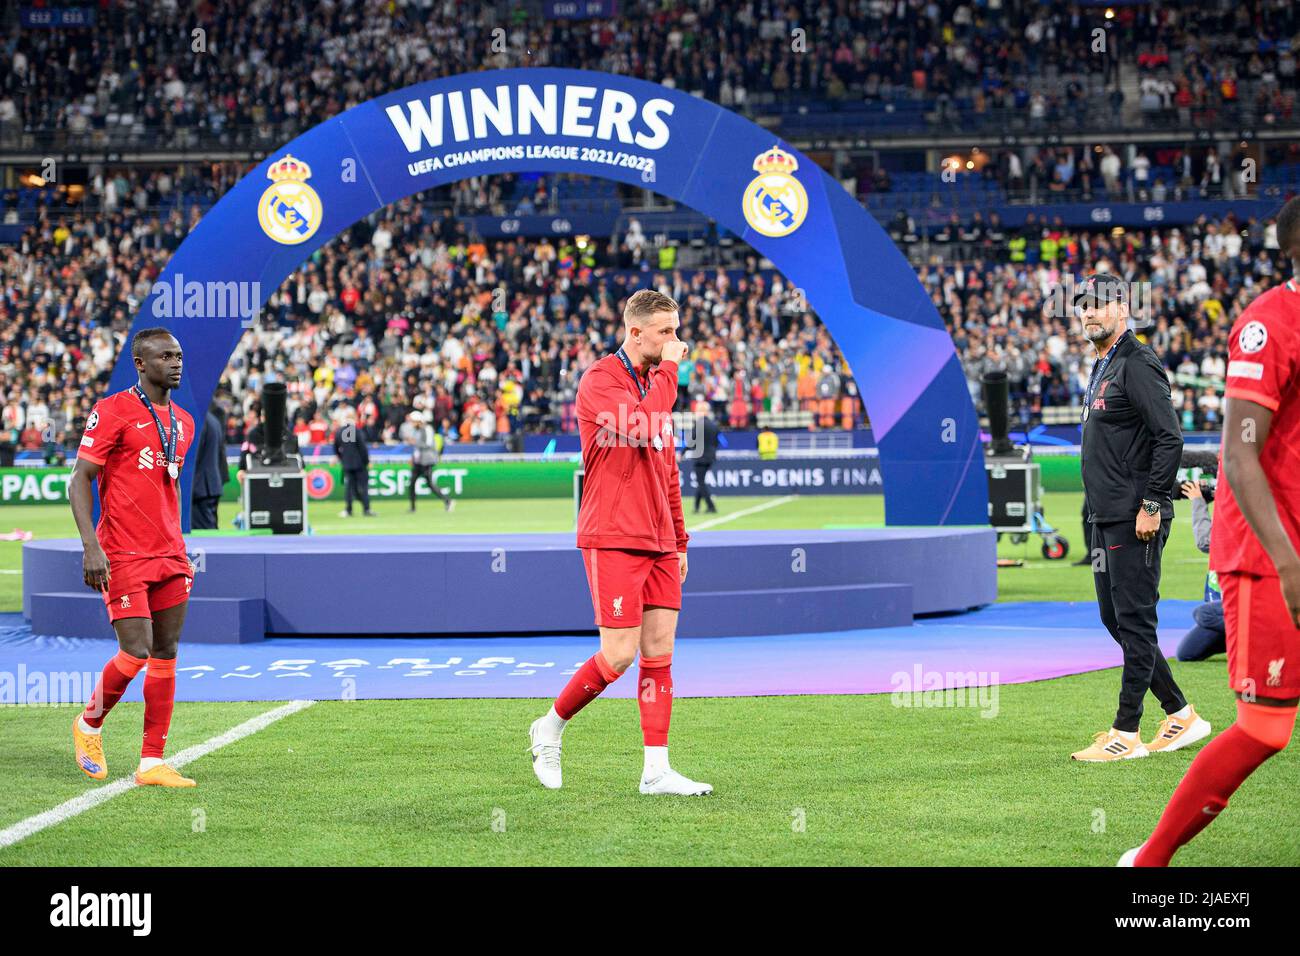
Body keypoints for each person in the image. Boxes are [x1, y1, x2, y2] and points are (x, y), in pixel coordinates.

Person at [1122, 198, 1300, 866]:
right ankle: (1150, 860)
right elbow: (1239, 453)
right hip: (1270, 558)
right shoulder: (1270, 324)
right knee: (1265, 730)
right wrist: (1289, 564)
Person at [527, 289, 711, 796]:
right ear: (635, 333)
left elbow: (667, 470)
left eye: (677, 331)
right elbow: (645, 427)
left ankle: (655, 770)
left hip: (658, 540)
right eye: (667, 333)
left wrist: (680, 542)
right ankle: (550, 727)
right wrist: (670, 371)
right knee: (619, 655)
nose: (678, 342)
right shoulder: (600, 381)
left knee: (659, 653)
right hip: (613, 535)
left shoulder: (655, 384)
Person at [1071, 274, 1209, 762]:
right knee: (1117, 619)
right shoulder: (1103, 364)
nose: (1089, 314)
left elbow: (1168, 437)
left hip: (1135, 515)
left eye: (1099, 306)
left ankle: (1126, 733)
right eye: (1083, 306)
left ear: (1122, 309)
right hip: (1106, 515)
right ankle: (1179, 713)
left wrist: (1152, 503)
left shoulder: (1137, 362)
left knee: (1134, 620)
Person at [68, 327, 197, 788]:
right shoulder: (112, 411)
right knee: (135, 650)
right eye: (166, 356)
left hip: (171, 554)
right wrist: (91, 546)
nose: (176, 363)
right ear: (140, 363)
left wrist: (179, 546)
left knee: (166, 652)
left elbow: (169, 481)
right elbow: (80, 479)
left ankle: (151, 763)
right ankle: (89, 724)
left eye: (179, 355)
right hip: (121, 552)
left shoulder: (184, 421)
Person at [1175, 479, 1226, 662]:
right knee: (1187, 653)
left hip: (1239, 604)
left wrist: (1198, 501)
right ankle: (1243, 639)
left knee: (1203, 613)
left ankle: (1253, 636)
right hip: (1222, 604)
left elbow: (1206, 542)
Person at [401, 410, 453, 513]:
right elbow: (417, 448)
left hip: (426, 461)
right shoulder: (417, 430)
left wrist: (415, 442)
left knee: (430, 484)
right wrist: (413, 457)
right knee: (412, 483)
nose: (412, 424)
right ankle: (413, 507)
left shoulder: (427, 429)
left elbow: (428, 444)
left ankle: (447, 500)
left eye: (413, 421)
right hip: (418, 461)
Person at [191, 402, 229, 530]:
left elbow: (194, 456)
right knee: (210, 529)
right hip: (210, 485)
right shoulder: (213, 420)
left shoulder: (199, 421)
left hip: (200, 488)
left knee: (203, 534)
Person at [334, 409, 374, 517]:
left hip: (347, 464)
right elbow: (362, 448)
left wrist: (342, 458)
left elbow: (336, 447)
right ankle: (367, 509)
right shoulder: (356, 431)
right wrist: (366, 461)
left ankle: (348, 510)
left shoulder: (340, 431)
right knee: (363, 487)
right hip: (359, 464)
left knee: (349, 488)